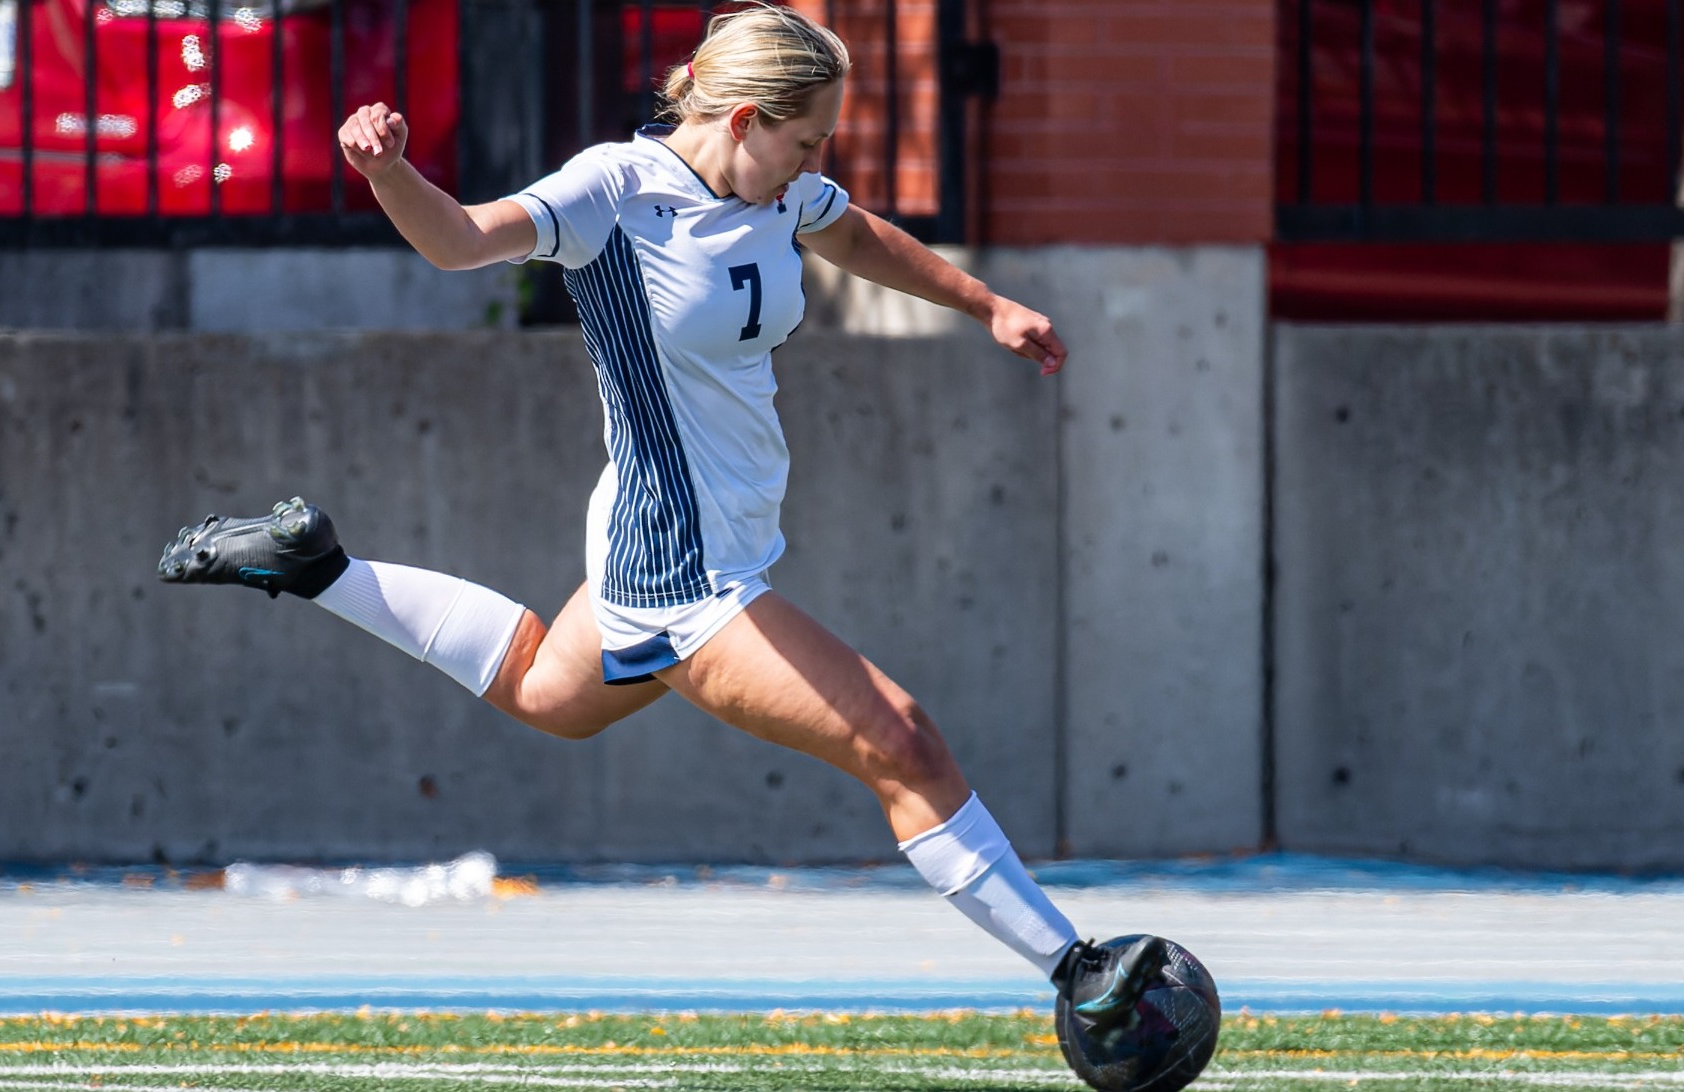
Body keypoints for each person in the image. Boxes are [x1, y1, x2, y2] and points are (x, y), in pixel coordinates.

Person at [157, 2, 1161, 1033]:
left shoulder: (775, 191)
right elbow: (459, 242)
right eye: (804, 139)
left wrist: (984, 303)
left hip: (710, 540)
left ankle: (315, 567)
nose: (815, 161)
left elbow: (853, 231)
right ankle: (1075, 968)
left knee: (547, 691)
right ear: (741, 119)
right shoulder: (614, 191)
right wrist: (389, 174)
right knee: (903, 742)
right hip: (680, 564)